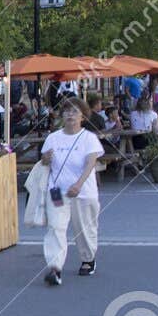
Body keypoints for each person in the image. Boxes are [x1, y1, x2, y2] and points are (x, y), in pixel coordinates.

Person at [38, 97, 104, 286]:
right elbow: (44, 162)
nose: (70, 115)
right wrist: (46, 158)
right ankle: (55, 267)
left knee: (84, 229)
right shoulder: (53, 137)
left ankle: (88, 258)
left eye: (75, 112)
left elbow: (91, 163)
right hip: (58, 192)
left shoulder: (89, 138)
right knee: (56, 227)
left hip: (83, 192)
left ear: (83, 116)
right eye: (67, 111)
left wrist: (79, 184)